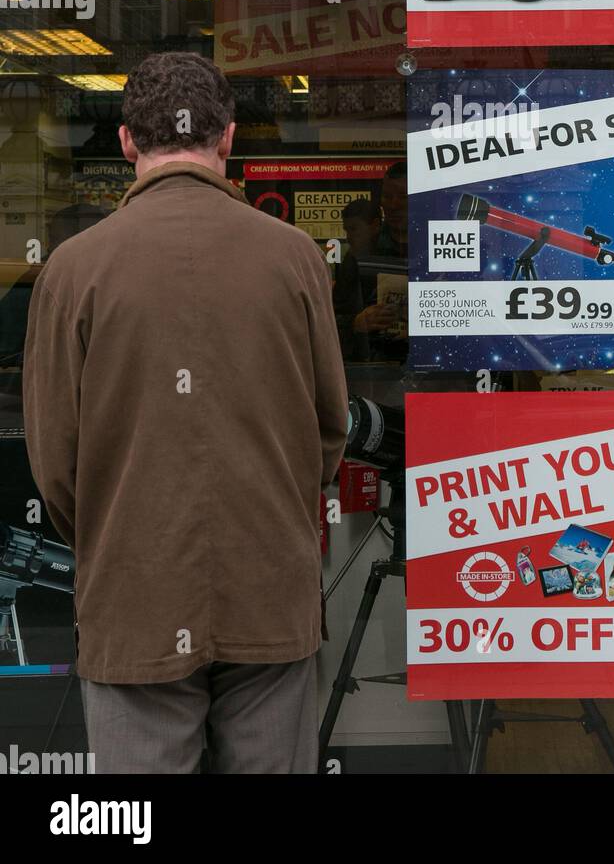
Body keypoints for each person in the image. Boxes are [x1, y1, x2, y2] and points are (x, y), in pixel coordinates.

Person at [22, 52, 349, 774]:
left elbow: (55, 462)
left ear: (127, 142)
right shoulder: (295, 258)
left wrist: (119, 523)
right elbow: (330, 429)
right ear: (228, 138)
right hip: (270, 584)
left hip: (135, 586)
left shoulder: (75, 269)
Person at [333, 161, 408, 363]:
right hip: (374, 369)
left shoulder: (440, 247)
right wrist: (357, 323)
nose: (393, 205)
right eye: (387, 196)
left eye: (402, 197)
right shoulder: (361, 253)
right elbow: (332, 320)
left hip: (431, 373)